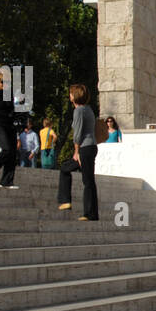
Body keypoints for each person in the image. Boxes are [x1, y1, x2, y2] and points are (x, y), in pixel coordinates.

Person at [57, 84, 99, 220]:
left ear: (75, 96)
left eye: (70, 93)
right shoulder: (89, 109)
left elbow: (77, 134)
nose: (69, 96)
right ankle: (67, 201)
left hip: (85, 148)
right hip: (91, 146)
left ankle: (89, 213)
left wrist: (77, 152)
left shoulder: (79, 111)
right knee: (68, 170)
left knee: (87, 180)